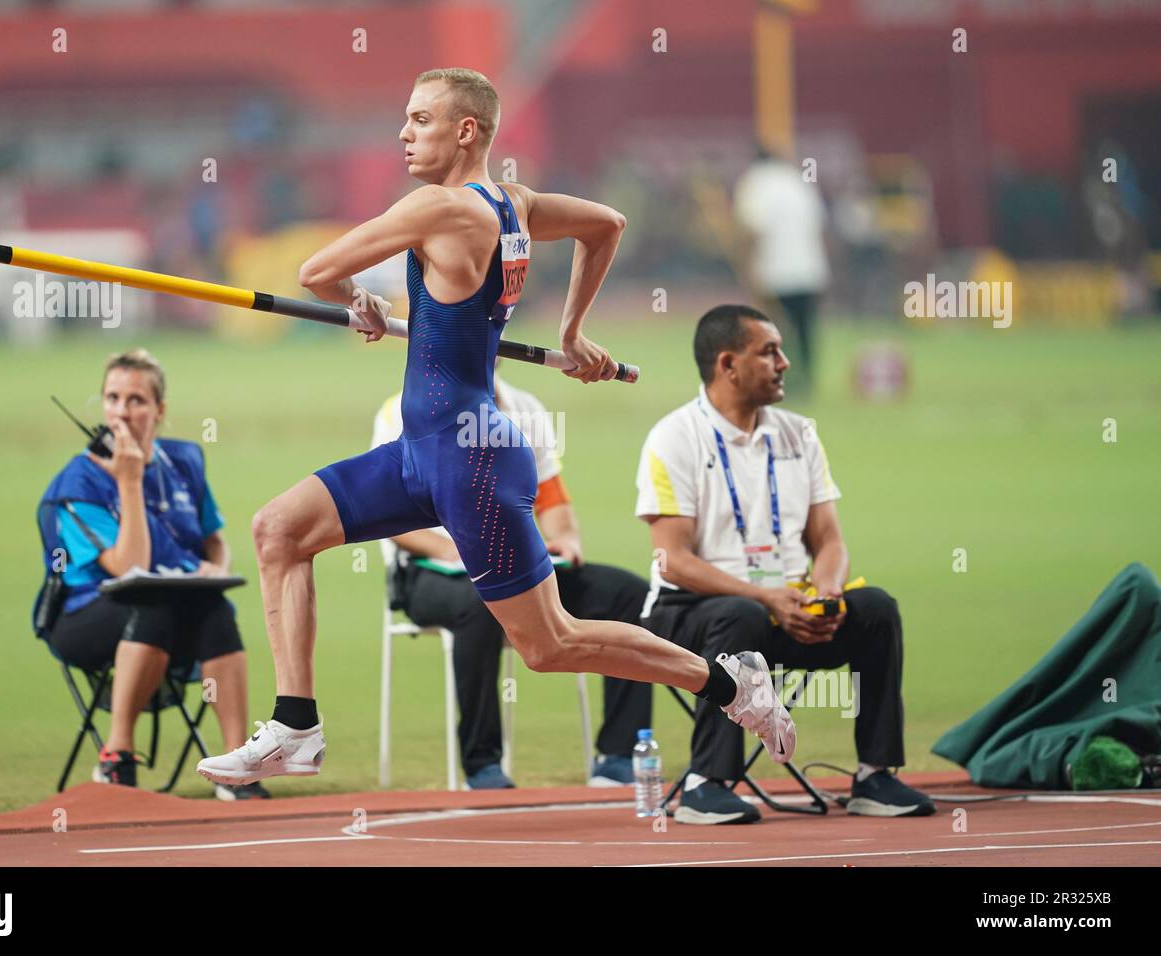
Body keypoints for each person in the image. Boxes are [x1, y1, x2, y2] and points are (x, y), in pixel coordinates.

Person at [196, 68, 794, 787]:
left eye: (420, 119)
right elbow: (607, 225)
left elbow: (316, 269)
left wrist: (359, 301)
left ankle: (734, 688)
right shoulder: (514, 203)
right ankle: (296, 726)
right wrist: (572, 335)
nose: (404, 133)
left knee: (549, 645)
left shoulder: (437, 209)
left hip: (469, 463)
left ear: (466, 131)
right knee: (279, 531)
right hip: (425, 451)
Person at [636, 304, 935, 824]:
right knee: (739, 617)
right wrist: (764, 596)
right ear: (728, 363)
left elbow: (830, 540)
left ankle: (875, 775)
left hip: (787, 608)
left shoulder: (800, 434)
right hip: (693, 615)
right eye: (769, 352)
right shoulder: (673, 438)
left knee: (875, 609)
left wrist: (826, 594)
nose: (785, 363)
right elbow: (673, 560)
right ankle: (707, 783)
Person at [372, 372, 652, 789]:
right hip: (432, 571)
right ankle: (482, 764)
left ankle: (620, 754)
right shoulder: (402, 410)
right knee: (479, 601)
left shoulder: (526, 407)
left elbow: (551, 496)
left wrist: (565, 538)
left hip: (520, 564)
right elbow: (383, 511)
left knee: (627, 594)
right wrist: (449, 550)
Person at [37, 349, 268, 800]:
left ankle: (235, 766)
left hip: (171, 606)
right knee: (154, 603)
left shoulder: (183, 462)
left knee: (215, 606)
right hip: (84, 614)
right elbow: (130, 569)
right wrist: (128, 481)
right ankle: (117, 755)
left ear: (159, 411)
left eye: (136, 400)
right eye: (112, 398)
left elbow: (214, 538)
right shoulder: (78, 484)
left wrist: (214, 569)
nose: (122, 411)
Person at [733, 145, 829, 395]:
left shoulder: (755, 183)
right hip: (809, 268)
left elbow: (753, 231)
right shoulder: (798, 181)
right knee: (805, 328)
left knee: (771, 330)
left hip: (774, 270)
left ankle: (774, 380)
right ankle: (806, 380)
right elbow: (819, 226)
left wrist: (748, 271)